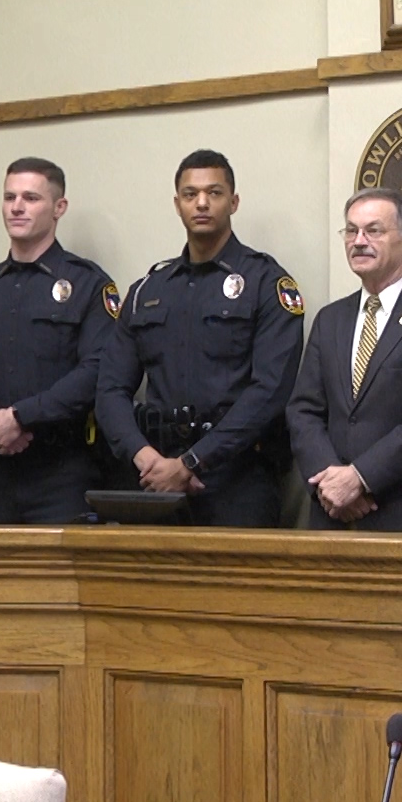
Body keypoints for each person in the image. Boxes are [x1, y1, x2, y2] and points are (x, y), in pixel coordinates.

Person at [95, 150, 303, 527]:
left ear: (234, 201)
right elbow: (110, 388)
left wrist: (193, 461)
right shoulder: (147, 290)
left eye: (214, 192)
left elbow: (270, 390)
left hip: (236, 478)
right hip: (154, 477)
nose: (202, 203)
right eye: (190, 194)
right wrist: (143, 457)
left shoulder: (265, 283)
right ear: (177, 205)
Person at [0, 157, 119, 524]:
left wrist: (21, 418)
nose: (17, 207)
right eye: (9, 197)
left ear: (58, 208)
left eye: (31, 198)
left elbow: (97, 370)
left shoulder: (87, 284)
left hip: (61, 473)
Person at [287, 188, 402, 531]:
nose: (358, 241)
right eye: (351, 230)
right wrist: (333, 485)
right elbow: (303, 411)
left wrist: (360, 478)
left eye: (373, 230)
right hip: (331, 515)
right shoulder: (330, 319)